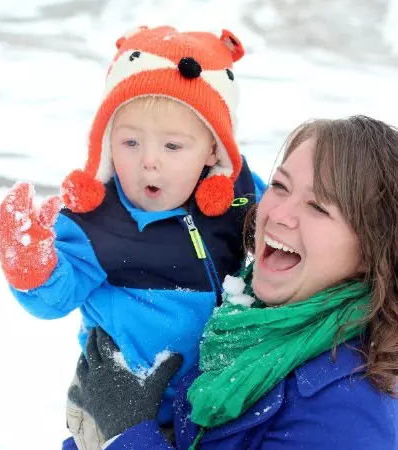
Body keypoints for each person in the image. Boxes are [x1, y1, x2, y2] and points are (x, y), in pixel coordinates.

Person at [0, 25, 265, 449]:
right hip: (118, 407)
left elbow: (288, 230)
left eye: (173, 146)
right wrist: (33, 271)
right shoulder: (95, 221)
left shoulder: (237, 196)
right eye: (130, 142)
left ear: (214, 151)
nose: (148, 163)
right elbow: (55, 298)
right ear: (105, 143)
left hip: (212, 402)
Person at [67, 115, 398, 449]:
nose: (278, 213)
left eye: (317, 206)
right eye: (280, 186)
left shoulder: (349, 415)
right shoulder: (243, 321)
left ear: (372, 249)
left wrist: (126, 434)